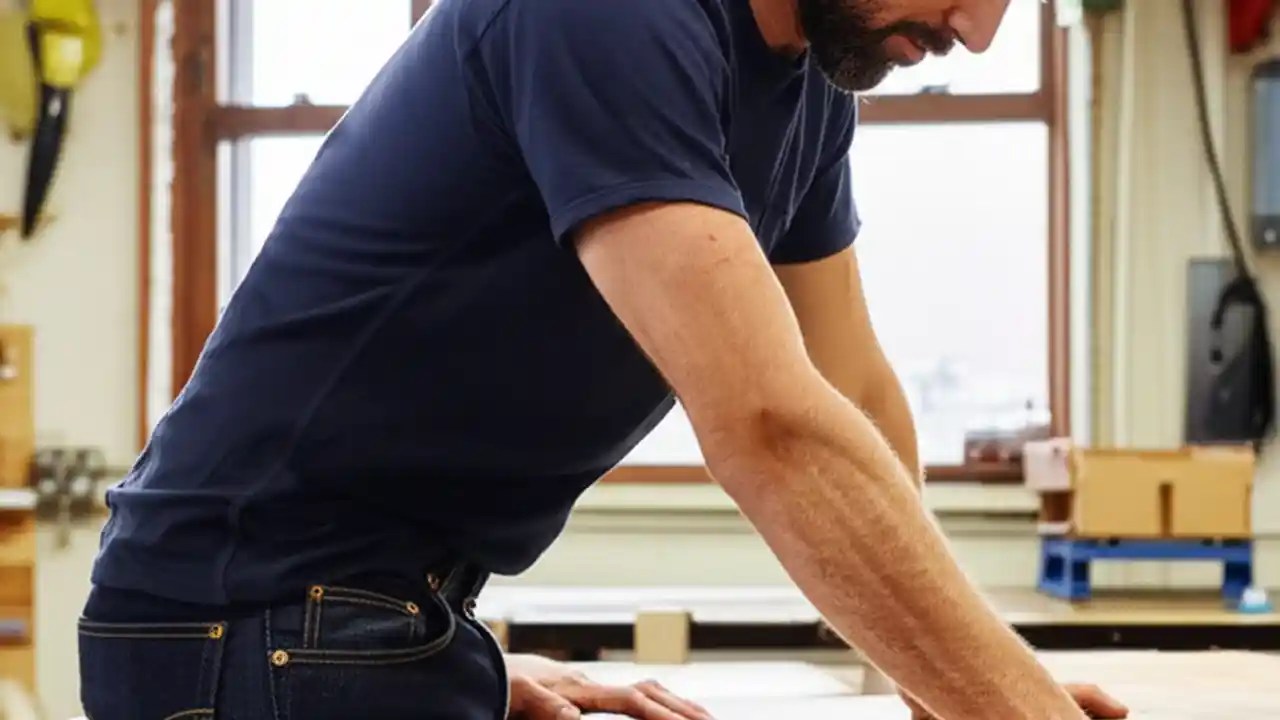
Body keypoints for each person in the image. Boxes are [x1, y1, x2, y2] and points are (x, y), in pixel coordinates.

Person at [79, 0, 1130, 718]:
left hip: (369, 616)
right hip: (235, 623)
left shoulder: (808, 91)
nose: (978, 29)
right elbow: (770, 428)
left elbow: (846, 386)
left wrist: (956, 688)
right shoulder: (613, 13)